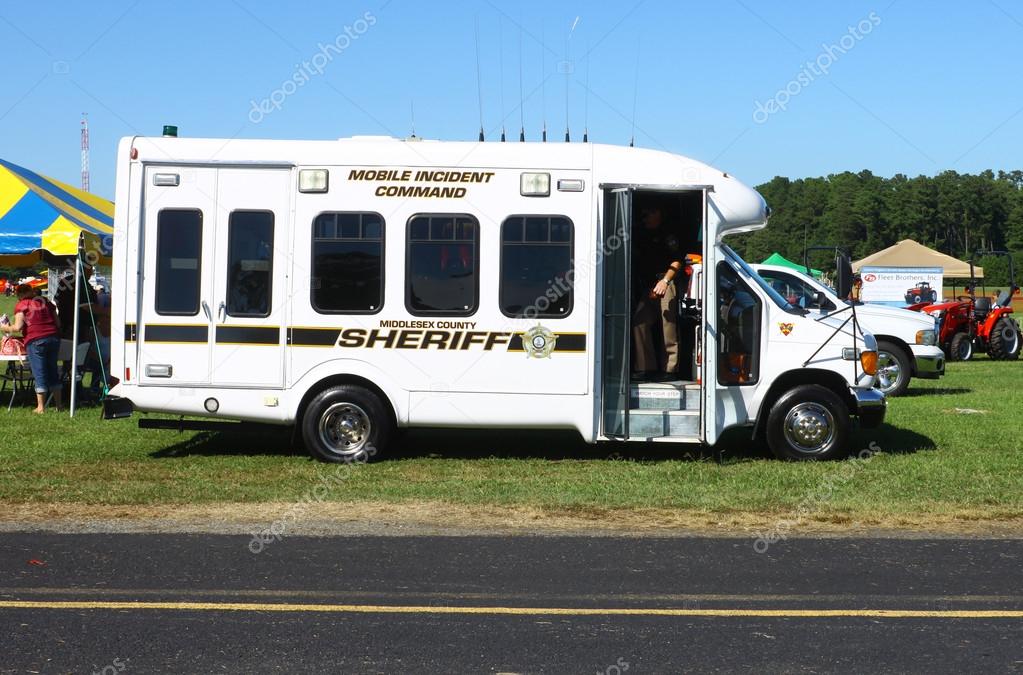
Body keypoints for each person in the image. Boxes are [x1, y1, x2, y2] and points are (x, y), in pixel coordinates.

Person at [632, 206, 683, 379]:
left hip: (665, 282)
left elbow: (677, 262)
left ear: (659, 214)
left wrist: (665, 281)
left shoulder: (668, 235)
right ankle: (646, 367)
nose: (646, 217)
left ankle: (670, 369)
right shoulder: (642, 235)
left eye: (650, 213)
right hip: (649, 286)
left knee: (668, 326)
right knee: (640, 321)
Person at [0, 284, 62, 413]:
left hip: (35, 340)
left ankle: (40, 407)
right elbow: (58, 323)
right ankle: (59, 405)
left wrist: (4, 327)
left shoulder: (22, 305)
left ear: (19, 295)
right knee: (53, 371)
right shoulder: (44, 301)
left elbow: (17, 327)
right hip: (53, 338)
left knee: (39, 372)